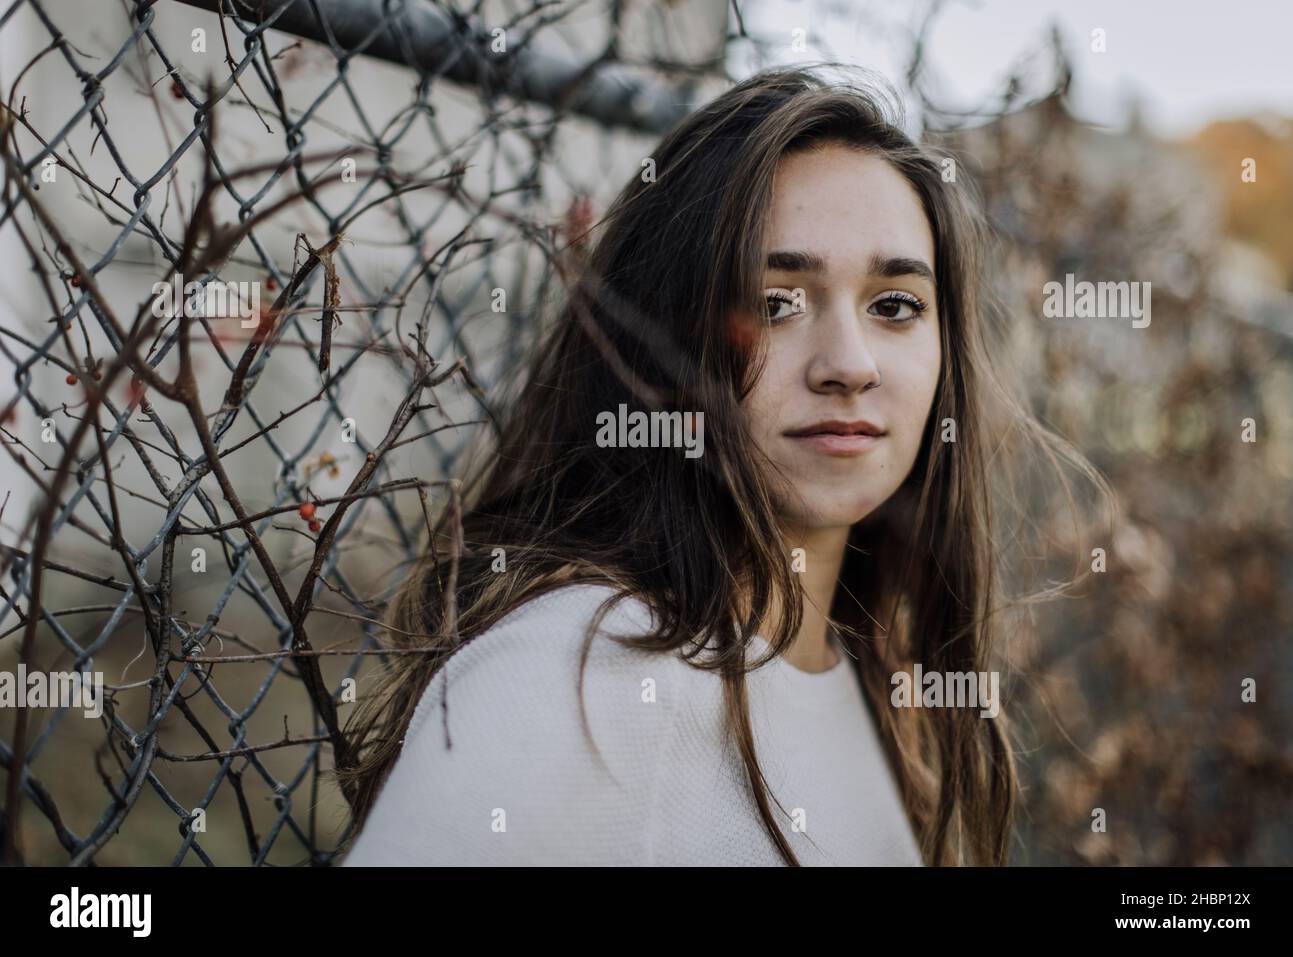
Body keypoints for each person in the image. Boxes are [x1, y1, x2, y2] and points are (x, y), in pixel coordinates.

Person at [336, 63, 1107, 866]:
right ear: (665, 341)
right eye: (775, 301)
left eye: (894, 306)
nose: (849, 363)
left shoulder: (865, 681)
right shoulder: (576, 670)